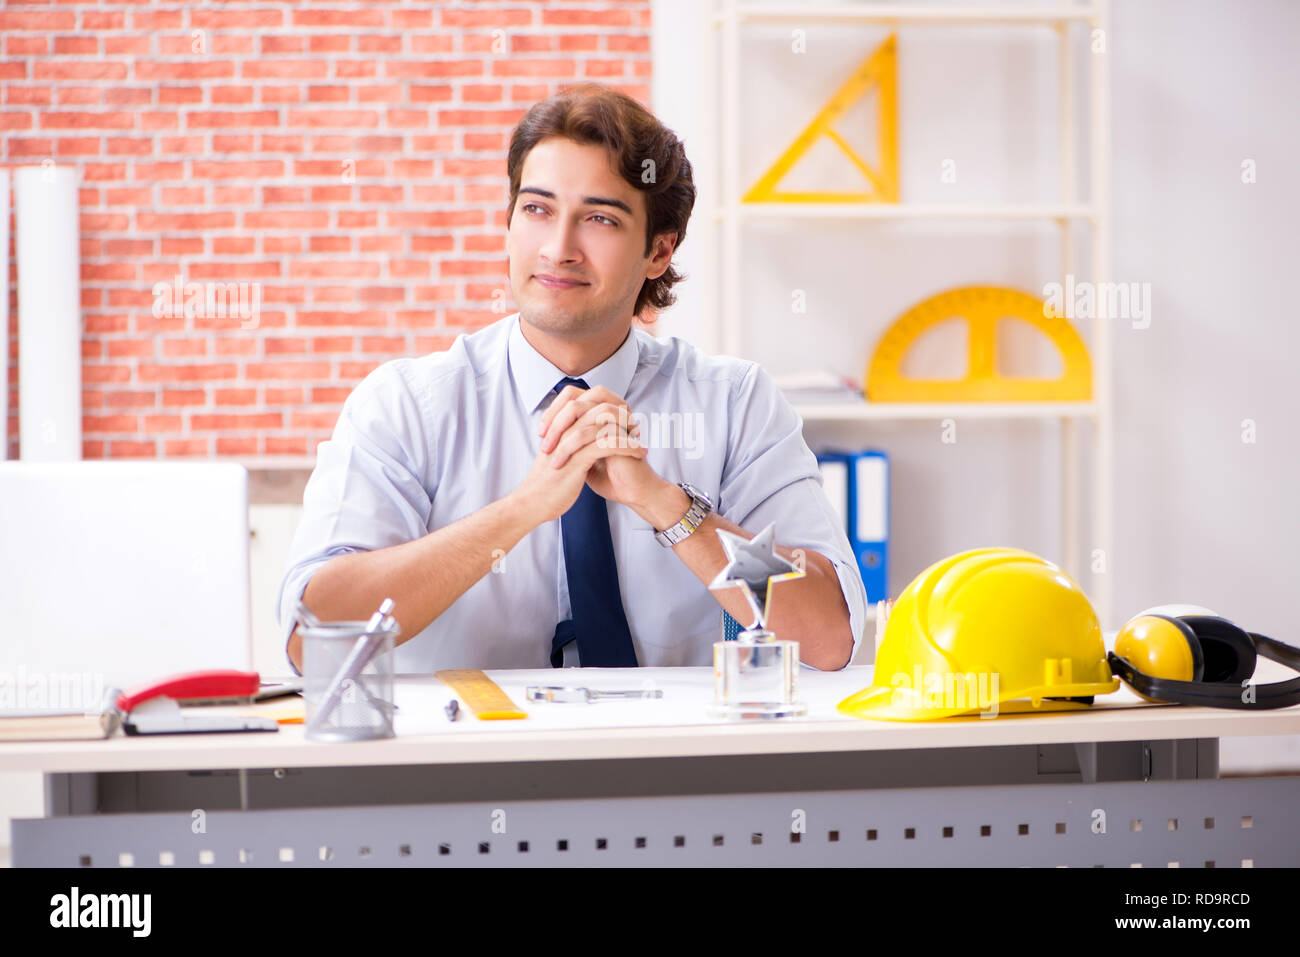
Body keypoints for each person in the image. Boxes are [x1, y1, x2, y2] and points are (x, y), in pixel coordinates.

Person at [277, 82, 867, 674]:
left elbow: (827, 637)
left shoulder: (734, 403)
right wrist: (524, 509)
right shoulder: (408, 405)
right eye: (537, 210)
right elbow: (315, 639)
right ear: (509, 222)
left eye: (600, 219)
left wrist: (668, 507)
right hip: (472, 762)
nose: (559, 249)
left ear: (658, 253)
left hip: (671, 759)